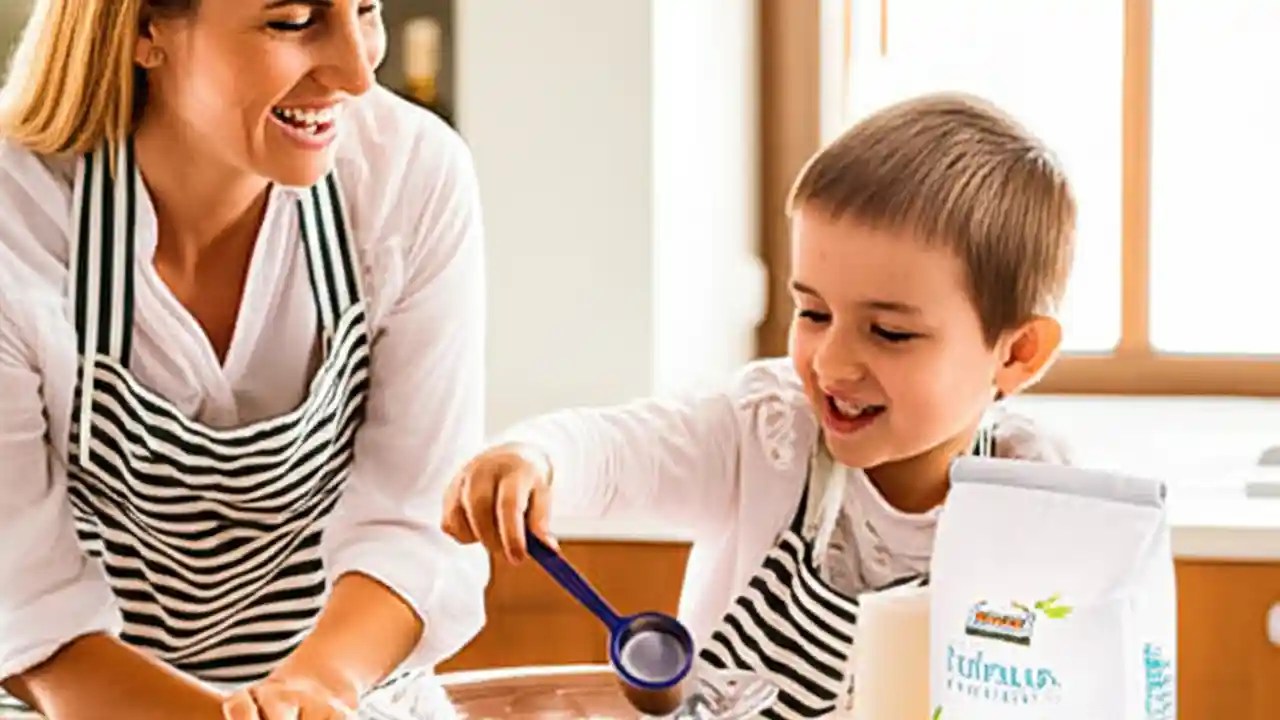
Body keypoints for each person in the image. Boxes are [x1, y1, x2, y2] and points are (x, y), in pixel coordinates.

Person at [443, 93, 1076, 719]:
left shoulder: (1041, 504)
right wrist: (537, 459)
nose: (831, 363)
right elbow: (620, 451)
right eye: (814, 313)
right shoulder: (769, 430)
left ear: (1016, 353)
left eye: (888, 333)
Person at [0, 0, 488, 717]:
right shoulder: (18, 213)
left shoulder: (409, 175)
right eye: (292, 22)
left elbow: (413, 527)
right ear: (143, 29)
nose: (356, 74)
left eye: (367, 10)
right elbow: (24, 605)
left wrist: (315, 688)